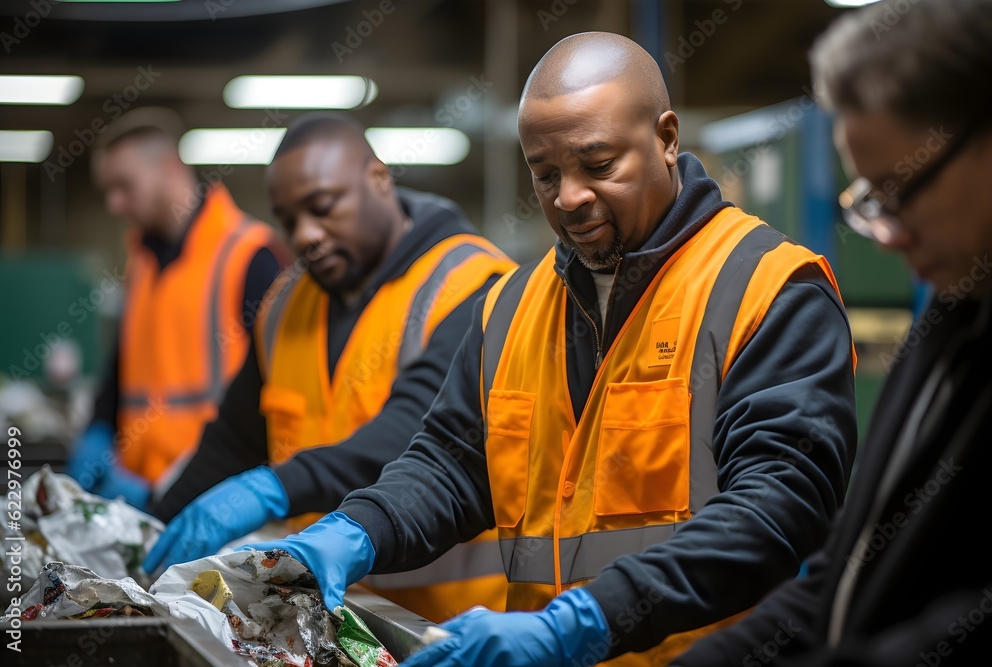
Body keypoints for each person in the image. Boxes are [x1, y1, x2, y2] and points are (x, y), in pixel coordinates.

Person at [241, 33, 860, 667]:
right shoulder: (509, 306)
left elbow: (776, 508)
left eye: (597, 165)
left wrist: (588, 620)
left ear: (667, 139)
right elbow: (452, 464)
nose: (568, 197)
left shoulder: (766, 289)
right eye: (545, 174)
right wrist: (357, 529)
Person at [672, 1, 992, 665]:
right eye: (871, 201)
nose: (890, 234)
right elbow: (843, 575)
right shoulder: (950, 320)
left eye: (901, 190)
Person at [143, 113, 516, 623]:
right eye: (288, 220)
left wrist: (275, 487)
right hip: (324, 623)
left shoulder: (473, 283)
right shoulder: (284, 306)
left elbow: (410, 436)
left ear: (379, 179)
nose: (306, 235)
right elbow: (232, 441)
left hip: (448, 628)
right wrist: (146, 536)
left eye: (322, 208)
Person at [68, 107, 288, 510]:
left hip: (213, 502)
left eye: (124, 186)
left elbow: (276, 392)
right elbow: (124, 366)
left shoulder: (250, 255)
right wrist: (99, 427)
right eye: (108, 191)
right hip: (136, 500)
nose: (115, 205)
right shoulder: (140, 262)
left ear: (169, 167)